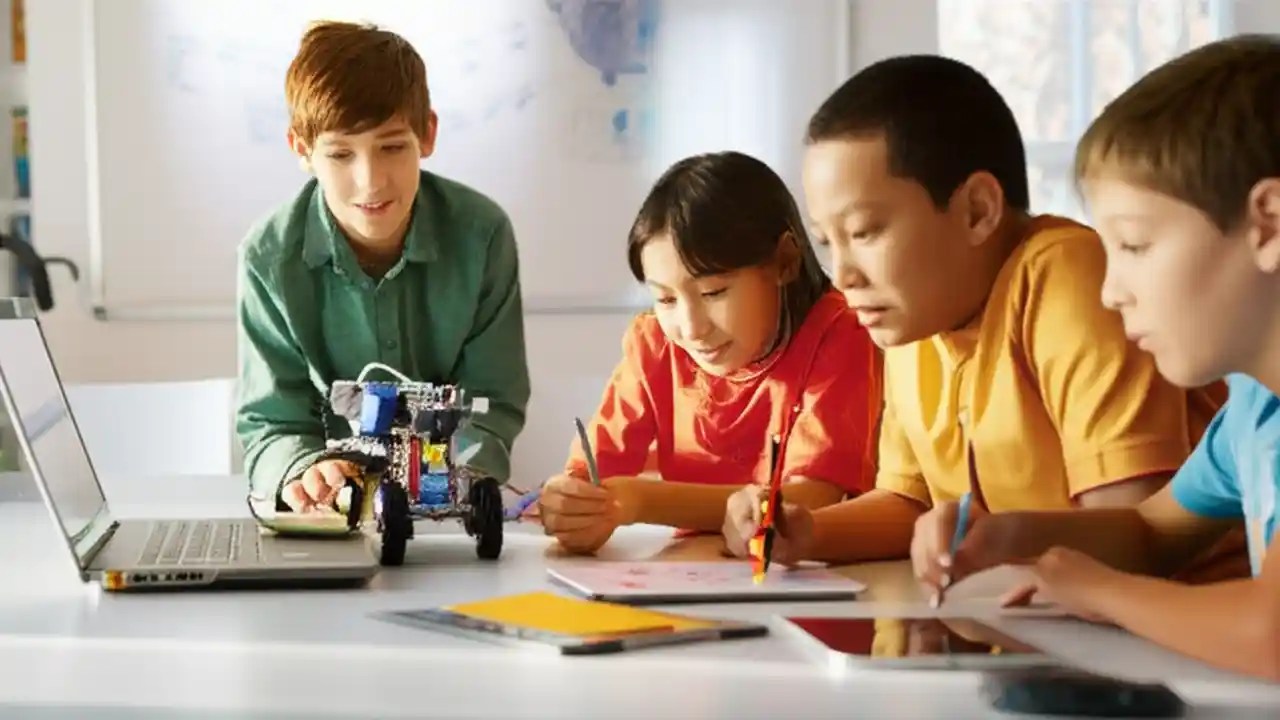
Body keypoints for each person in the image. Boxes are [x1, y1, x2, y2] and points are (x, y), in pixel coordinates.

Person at [725, 54, 1225, 569]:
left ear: (978, 211)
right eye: (828, 242)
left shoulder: (1068, 275)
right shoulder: (914, 317)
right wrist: (803, 530)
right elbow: (910, 505)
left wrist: (996, 541)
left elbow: (1132, 527)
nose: (843, 275)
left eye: (866, 232)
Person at [924, 35, 1280, 682]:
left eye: (1136, 245)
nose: (1111, 292)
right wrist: (1010, 537)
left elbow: (1272, 635)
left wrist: (1099, 591)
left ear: (1270, 223)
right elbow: (1151, 533)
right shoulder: (1256, 406)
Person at [236, 21, 530, 512]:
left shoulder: (483, 235)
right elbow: (272, 422)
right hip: (331, 514)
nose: (370, 182)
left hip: (445, 504)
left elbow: (493, 403)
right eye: (340, 154)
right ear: (302, 150)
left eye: (392, 147)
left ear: (427, 134)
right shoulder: (268, 257)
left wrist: (451, 471)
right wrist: (303, 471)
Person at [536, 151, 881, 554]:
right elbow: (591, 472)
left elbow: (809, 500)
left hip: (808, 576)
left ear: (784, 262)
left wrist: (639, 500)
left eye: (714, 293)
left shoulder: (842, 334)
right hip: (695, 573)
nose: (692, 328)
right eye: (665, 299)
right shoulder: (655, 344)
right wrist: (574, 505)